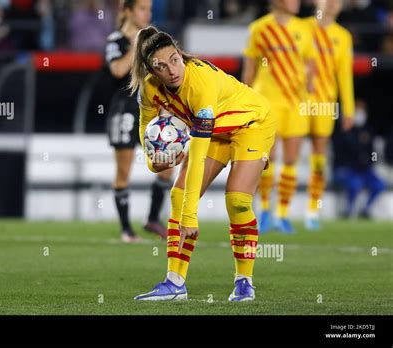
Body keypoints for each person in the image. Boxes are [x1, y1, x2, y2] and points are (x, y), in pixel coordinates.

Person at [131, 26, 276, 302]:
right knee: (178, 194)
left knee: (236, 200)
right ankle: (175, 284)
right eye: (162, 66)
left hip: (252, 123)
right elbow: (146, 135)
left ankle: (244, 282)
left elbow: (196, 154)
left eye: (174, 59)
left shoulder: (200, 84)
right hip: (216, 131)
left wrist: (190, 216)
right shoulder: (149, 89)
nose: (172, 70)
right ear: (152, 69)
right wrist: (155, 164)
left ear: (179, 53)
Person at [242, 0, 315, 233]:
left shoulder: (304, 28)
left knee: (291, 159)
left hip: (295, 103)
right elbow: (250, 66)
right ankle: (264, 210)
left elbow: (310, 63)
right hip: (268, 101)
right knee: (268, 158)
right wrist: (245, 98)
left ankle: (283, 214)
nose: (297, 2)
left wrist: (310, 85)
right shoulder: (260, 28)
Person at [105, 0, 173, 243]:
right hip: (123, 111)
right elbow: (117, 70)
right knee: (123, 172)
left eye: (150, 10)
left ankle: (153, 218)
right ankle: (127, 231)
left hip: (151, 111)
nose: (147, 14)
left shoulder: (153, 43)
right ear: (128, 11)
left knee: (167, 164)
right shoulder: (117, 40)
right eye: (142, 9)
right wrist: (136, 44)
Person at [303, 0, 355, 230]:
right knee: (282, 155)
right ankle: (271, 210)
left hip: (324, 104)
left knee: (319, 158)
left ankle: (312, 211)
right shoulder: (301, 27)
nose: (333, 4)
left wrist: (349, 109)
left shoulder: (343, 36)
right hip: (296, 101)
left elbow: (345, 75)